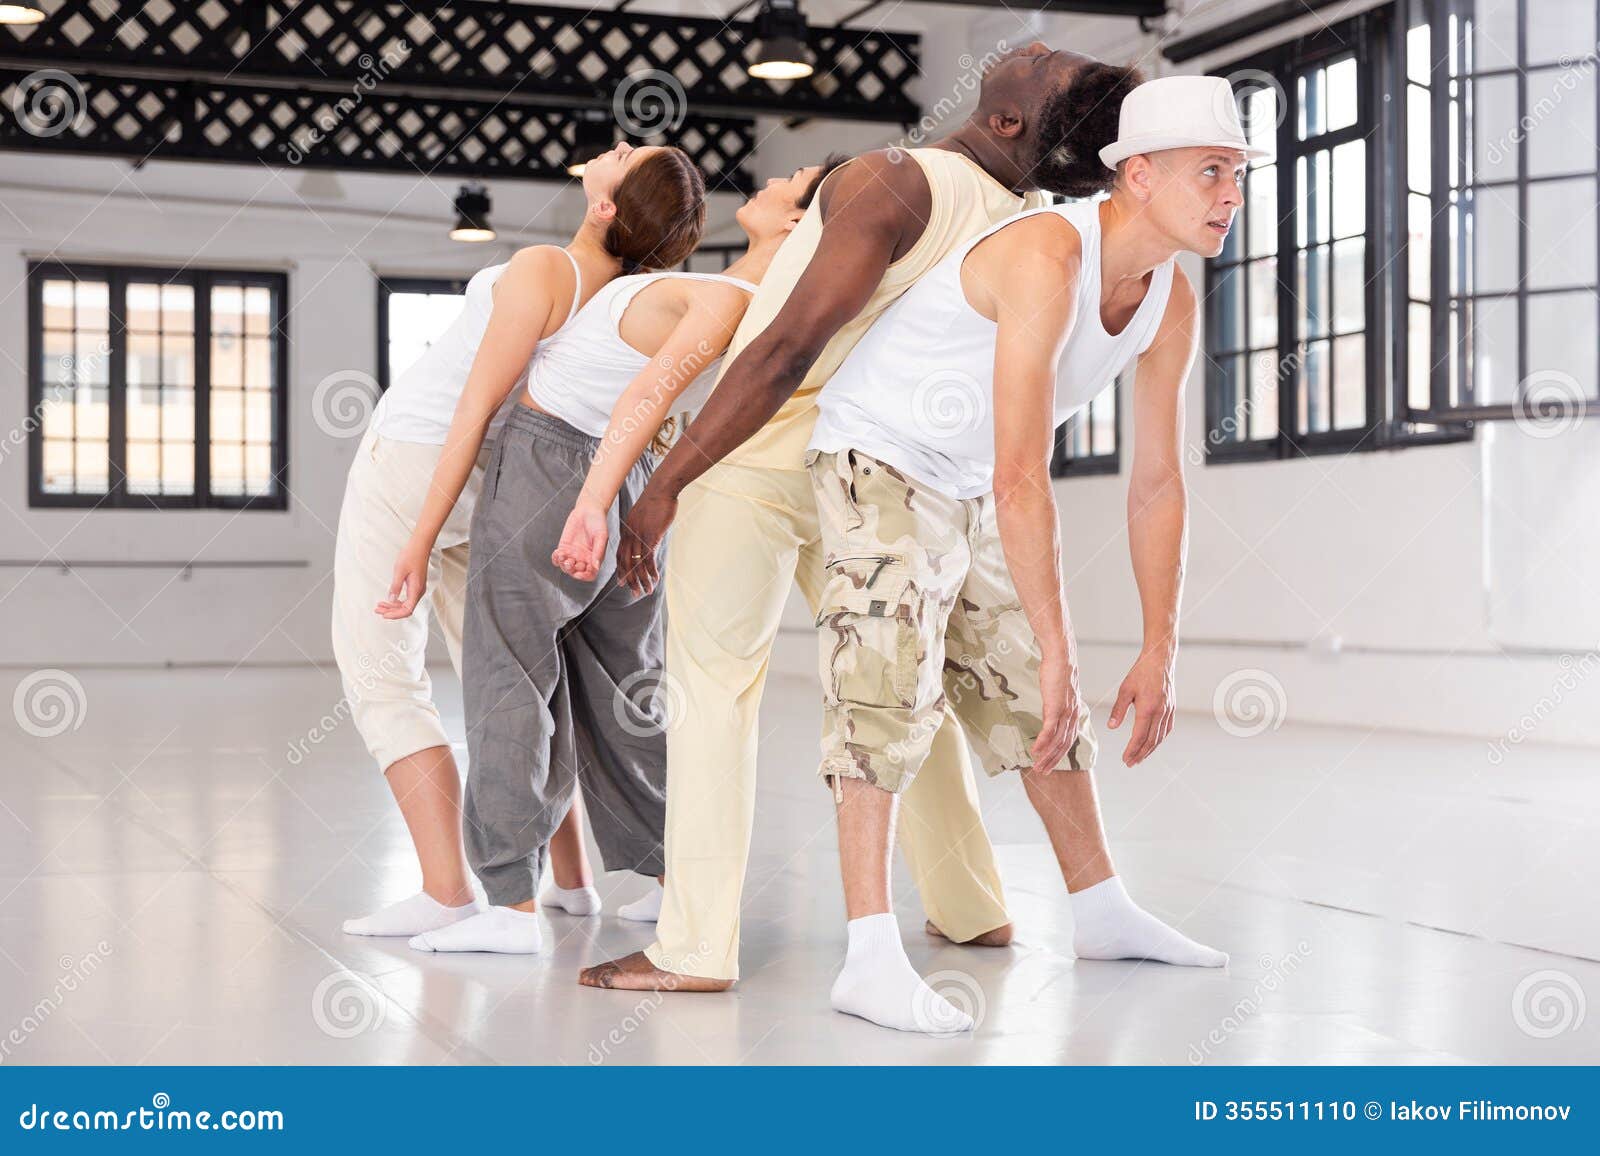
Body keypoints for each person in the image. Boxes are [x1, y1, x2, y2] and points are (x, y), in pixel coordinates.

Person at [581, 44, 1143, 993]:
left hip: (757, 462)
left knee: (717, 694)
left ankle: (694, 950)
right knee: (900, 684)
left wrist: (666, 479)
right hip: (878, 476)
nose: (1036, 44)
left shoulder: (898, 179)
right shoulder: (1036, 222)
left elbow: (786, 347)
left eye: (1044, 64)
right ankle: (970, 907)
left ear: (1007, 121)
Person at [801, 74, 1262, 1032]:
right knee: (886, 686)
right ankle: (868, 954)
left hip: (966, 478)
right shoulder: (1050, 255)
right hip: (881, 455)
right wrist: (1064, 651)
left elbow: (1158, 484)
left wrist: (1158, 647)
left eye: (1241, 174)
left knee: (1028, 697)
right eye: (1214, 171)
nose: (1233, 195)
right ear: (1138, 175)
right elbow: (1023, 472)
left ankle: (1100, 909)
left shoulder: (1168, 299)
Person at [379, 163, 832, 955]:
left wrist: (589, 503)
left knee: (507, 680)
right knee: (626, 691)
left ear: (792, 228)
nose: (781, 172)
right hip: (618, 478)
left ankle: (512, 907)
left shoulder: (722, 299)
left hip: (556, 470)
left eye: (797, 184)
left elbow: (645, 397)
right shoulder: (729, 297)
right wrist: (622, 503)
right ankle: (669, 884)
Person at [333, 140, 705, 939]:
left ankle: (449, 892)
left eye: (626, 150)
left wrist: (417, 539)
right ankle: (569, 884)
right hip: (508, 480)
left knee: (384, 680)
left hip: (418, 466)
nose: (615, 143)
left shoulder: (544, 269)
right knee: (525, 684)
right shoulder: (617, 291)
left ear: (608, 207)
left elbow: (472, 407)